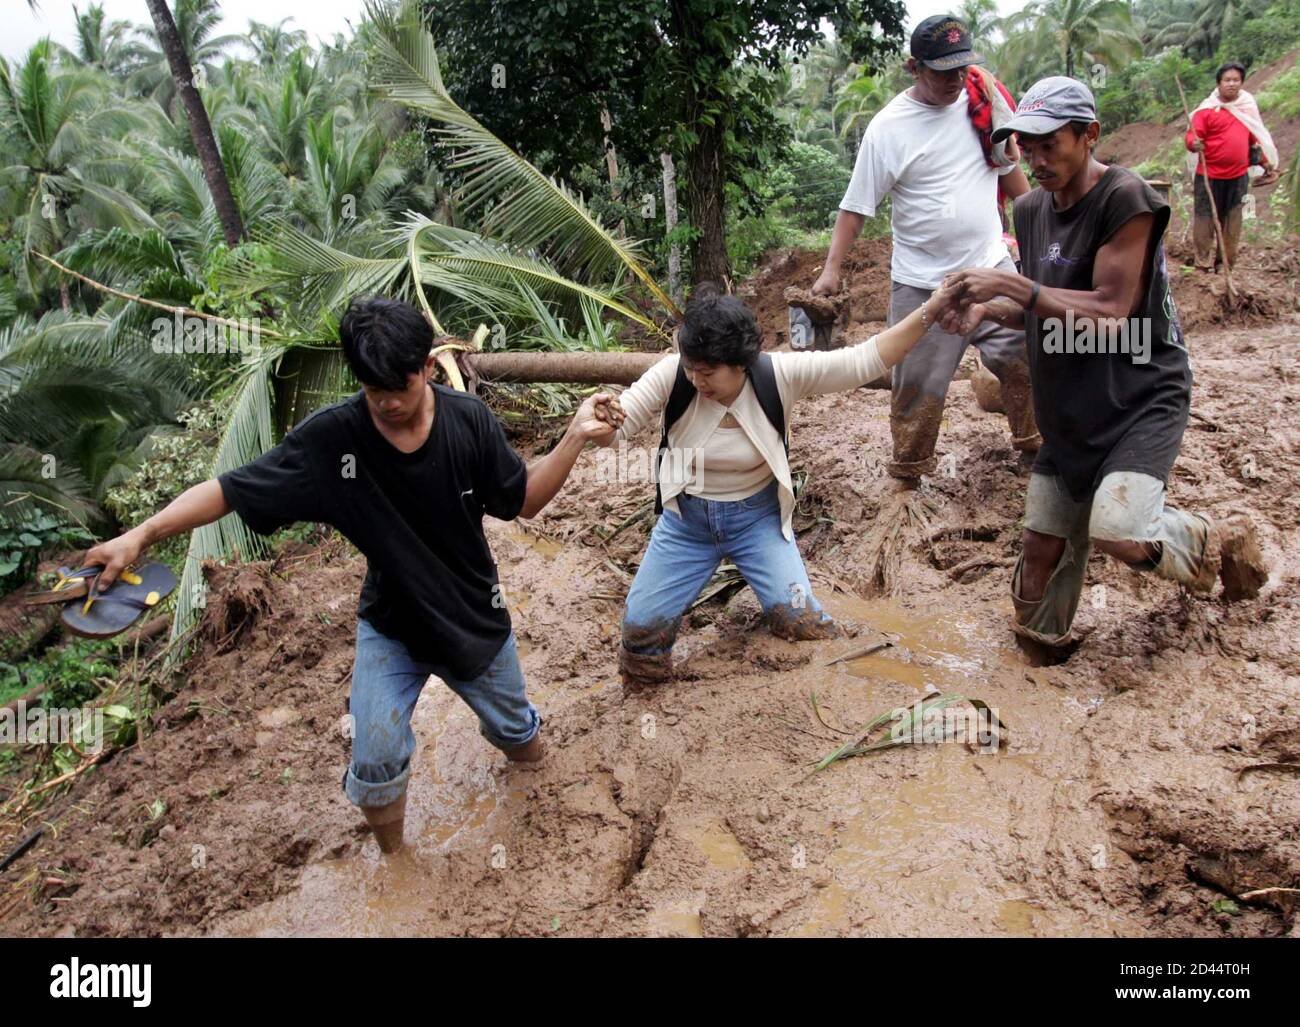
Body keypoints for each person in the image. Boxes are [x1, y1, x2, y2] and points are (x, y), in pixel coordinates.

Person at [82, 297, 617, 854]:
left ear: (428, 368)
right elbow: (227, 491)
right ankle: (396, 868)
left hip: (475, 619)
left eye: (399, 388)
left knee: (520, 740)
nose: (385, 403)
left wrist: (575, 436)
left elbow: (524, 502)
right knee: (375, 756)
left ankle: (536, 789)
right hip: (393, 628)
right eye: (371, 390)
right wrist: (138, 535)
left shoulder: (469, 423)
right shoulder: (330, 442)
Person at [941, 77, 1268, 649]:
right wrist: (988, 312)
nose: (1036, 160)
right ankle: (1042, 662)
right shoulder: (1032, 210)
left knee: (1118, 530)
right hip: (1071, 406)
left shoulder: (1125, 197)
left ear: (1089, 135)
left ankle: (1211, 548)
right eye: (1027, 147)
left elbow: (1110, 311)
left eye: (1050, 145)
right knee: (1037, 560)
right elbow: (1052, 309)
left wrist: (1011, 285)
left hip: (1138, 394)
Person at [594, 279, 964, 690]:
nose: (698, 381)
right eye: (691, 369)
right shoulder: (674, 376)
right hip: (687, 527)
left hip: (757, 523)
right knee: (641, 634)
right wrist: (603, 417)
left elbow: (866, 360)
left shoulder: (779, 375)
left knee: (801, 621)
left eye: (709, 372)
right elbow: (617, 427)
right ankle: (645, 699)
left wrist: (930, 310)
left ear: (741, 364)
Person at [811, 13, 1038, 484]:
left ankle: (1034, 448)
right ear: (914, 67)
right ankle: (909, 473)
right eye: (942, 72)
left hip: (991, 265)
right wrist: (831, 270)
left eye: (962, 68)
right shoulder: (888, 128)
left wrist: (1051, 231)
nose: (956, 80)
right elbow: (856, 207)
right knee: (917, 388)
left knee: (1024, 359)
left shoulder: (982, 103)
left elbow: (1010, 173)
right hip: (922, 282)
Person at [1185, 62, 1280, 272]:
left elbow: (1254, 139)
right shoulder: (1206, 110)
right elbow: (1192, 135)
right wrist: (1194, 143)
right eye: (1227, 80)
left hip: (1238, 177)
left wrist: (1266, 163)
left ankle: (1225, 264)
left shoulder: (1246, 108)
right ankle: (1201, 263)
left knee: (1233, 221)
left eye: (1236, 80)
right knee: (1204, 219)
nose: (1232, 84)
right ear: (1219, 83)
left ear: (1242, 83)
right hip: (1208, 175)